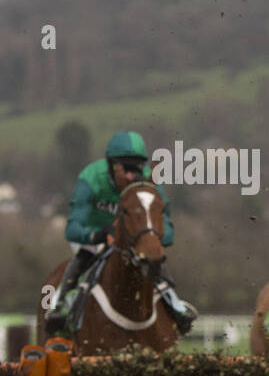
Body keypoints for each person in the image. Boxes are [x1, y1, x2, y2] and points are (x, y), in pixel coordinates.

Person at [46, 130, 197, 336]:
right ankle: (62, 304)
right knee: (85, 257)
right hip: (94, 235)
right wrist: (96, 235)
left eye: (137, 167)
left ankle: (175, 305)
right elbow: (72, 229)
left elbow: (167, 229)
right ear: (111, 165)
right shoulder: (90, 177)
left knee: (153, 260)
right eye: (125, 167)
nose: (131, 175)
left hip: (132, 238)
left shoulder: (146, 182)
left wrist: (151, 238)